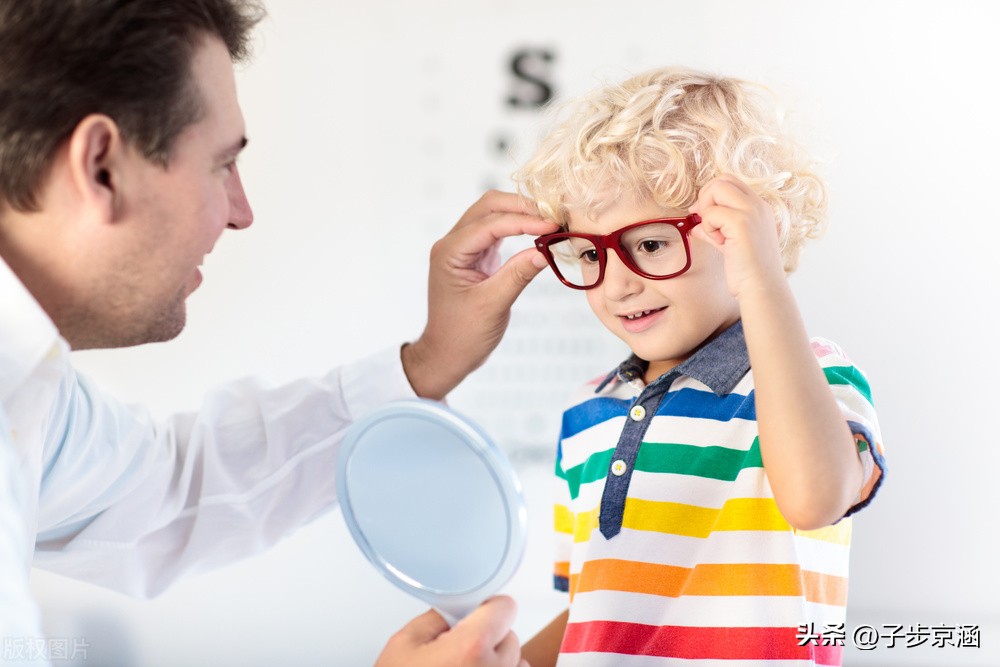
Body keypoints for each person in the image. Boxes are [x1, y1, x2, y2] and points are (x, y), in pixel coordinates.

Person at [0, 1, 555, 665]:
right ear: (101, 167)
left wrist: (429, 362)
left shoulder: (28, 392)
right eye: (221, 165)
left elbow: (174, 489)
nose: (242, 213)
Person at [513, 67, 887, 666]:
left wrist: (761, 279)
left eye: (651, 243)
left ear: (750, 234)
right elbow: (594, 608)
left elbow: (816, 499)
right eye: (590, 254)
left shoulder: (812, 377)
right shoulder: (586, 410)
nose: (618, 284)